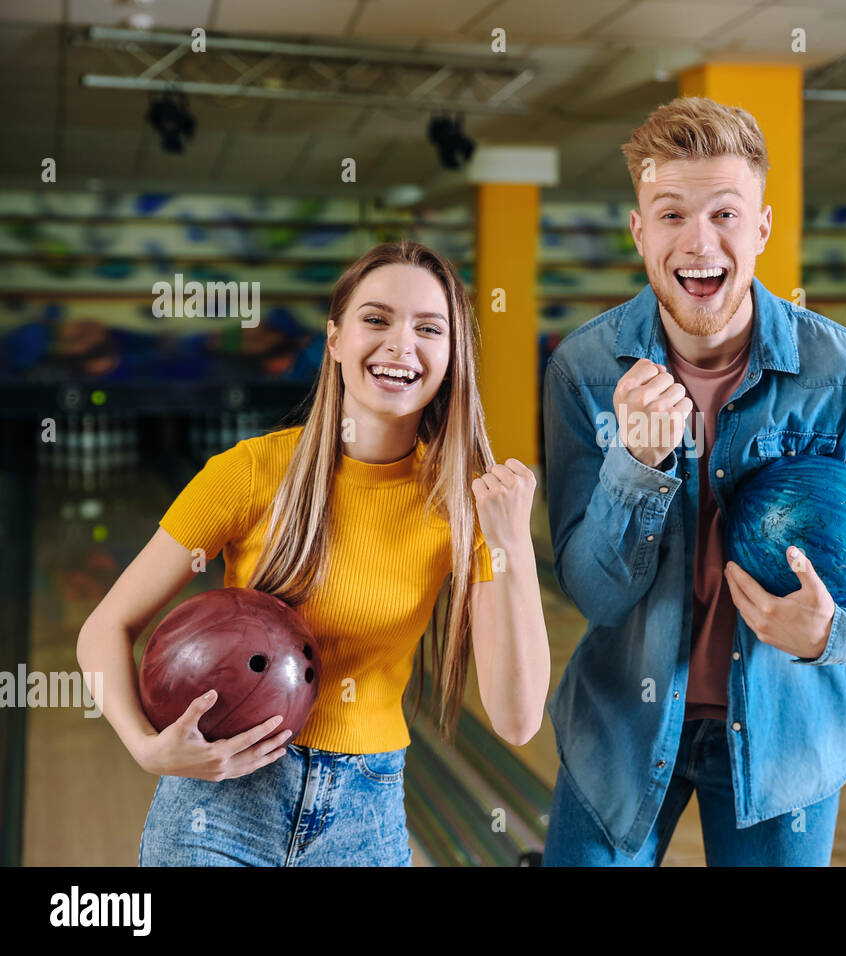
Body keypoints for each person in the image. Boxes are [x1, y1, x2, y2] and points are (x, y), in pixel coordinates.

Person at [540, 96, 846, 867]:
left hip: (788, 744)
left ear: (761, 227)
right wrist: (635, 465)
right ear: (639, 231)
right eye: (671, 214)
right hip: (620, 730)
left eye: (725, 213)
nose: (699, 242)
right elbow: (593, 592)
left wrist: (833, 633)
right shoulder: (583, 371)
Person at [76, 241, 550, 866]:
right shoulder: (250, 472)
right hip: (221, 806)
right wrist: (144, 745)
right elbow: (105, 626)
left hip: (367, 811)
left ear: (452, 354)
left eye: (429, 329)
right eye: (376, 319)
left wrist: (513, 544)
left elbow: (517, 722)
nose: (401, 345)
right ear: (334, 339)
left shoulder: (463, 505)